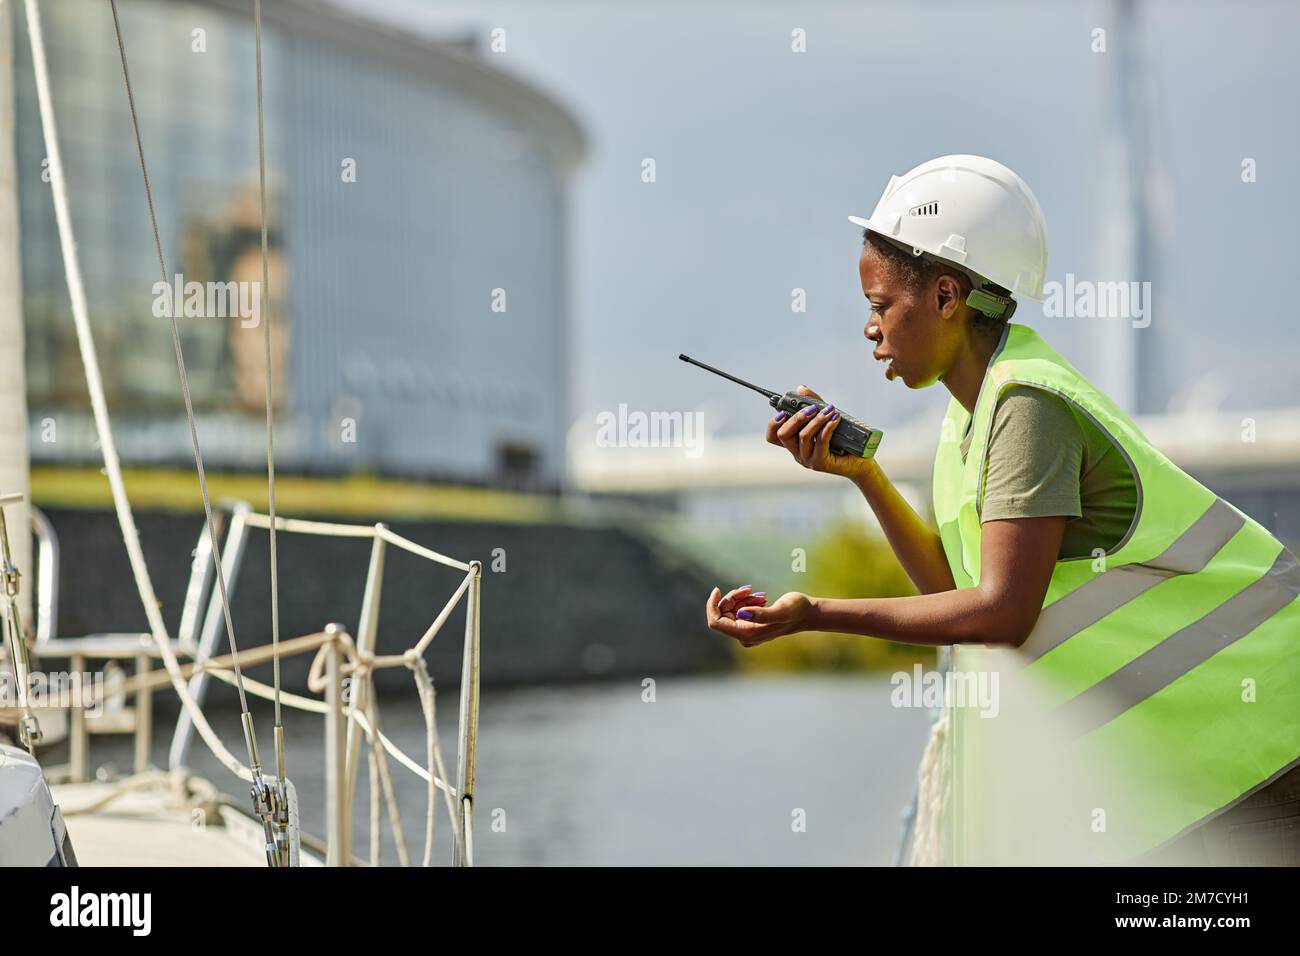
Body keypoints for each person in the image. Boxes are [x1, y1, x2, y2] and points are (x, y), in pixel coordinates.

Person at [704, 155, 1300, 865]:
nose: (870, 327)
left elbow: (1001, 614)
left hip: (1262, 731)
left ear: (947, 296)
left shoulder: (1027, 406)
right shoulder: (968, 423)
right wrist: (864, 475)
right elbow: (954, 598)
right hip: (1202, 749)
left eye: (879, 302)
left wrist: (817, 614)